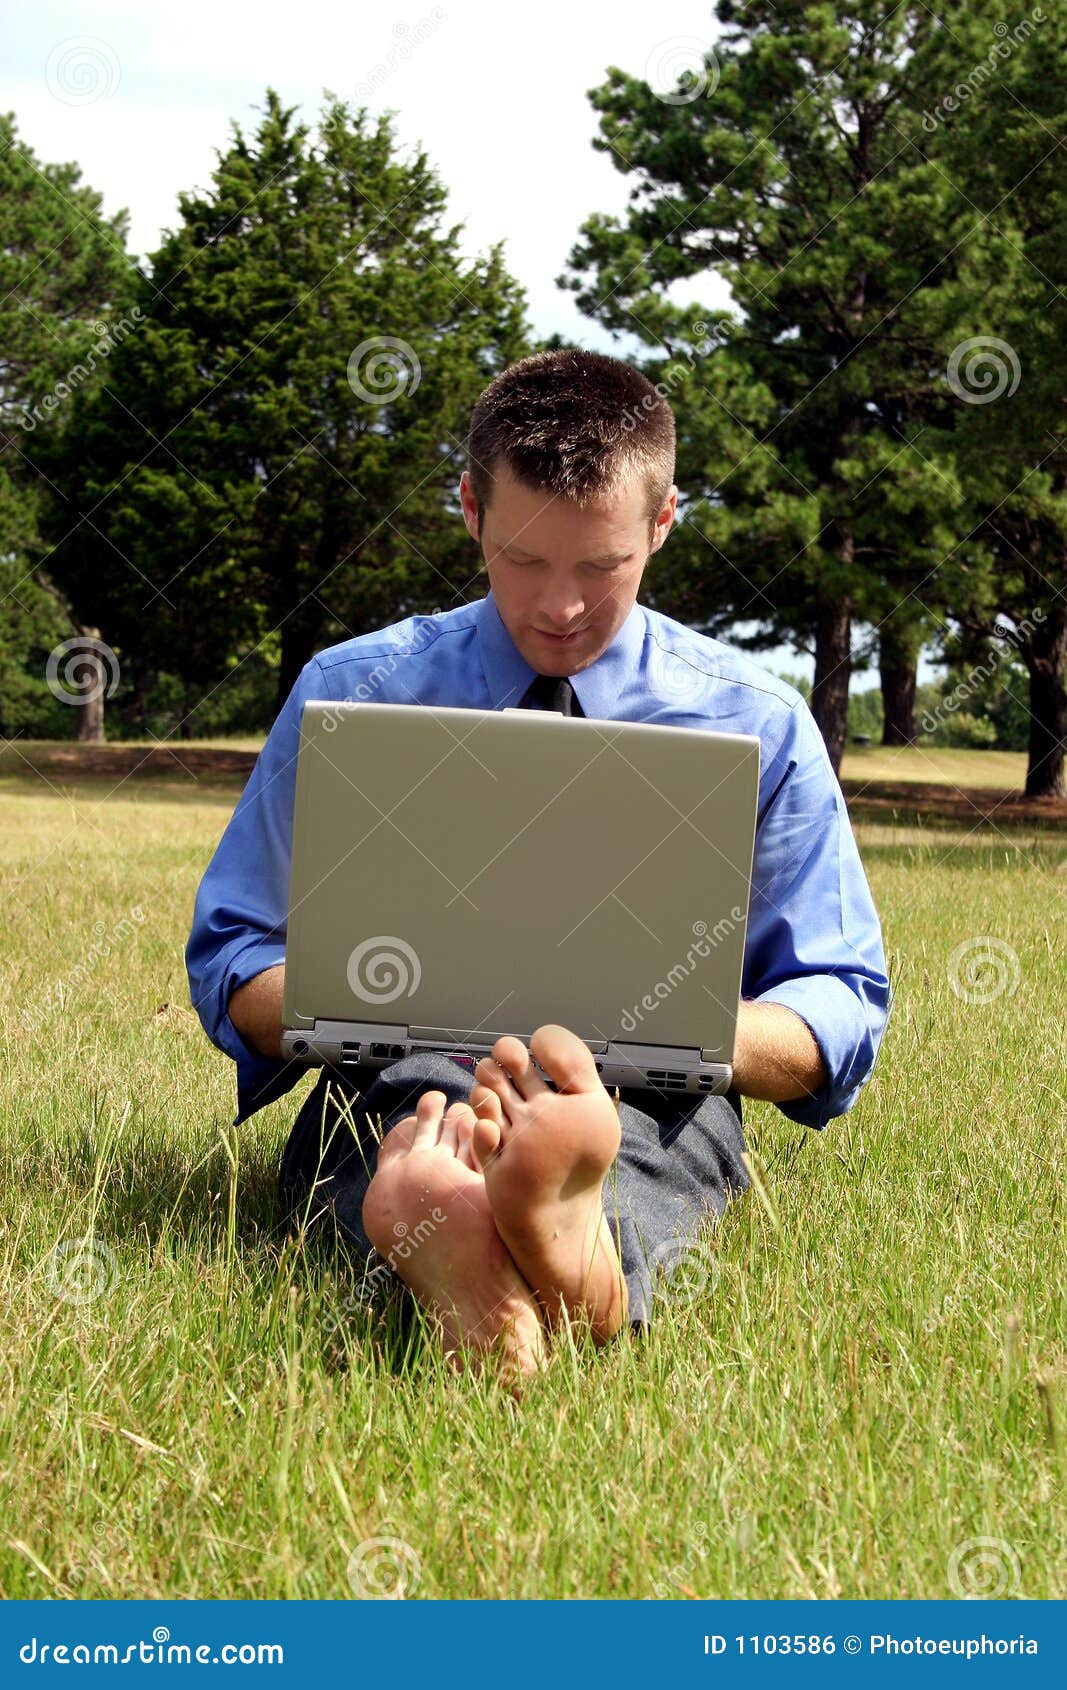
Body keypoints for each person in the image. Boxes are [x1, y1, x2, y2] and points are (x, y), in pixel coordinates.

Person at [186, 348, 892, 1388]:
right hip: (394, 1064)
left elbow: (839, 1001)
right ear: (468, 507)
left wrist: (667, 1026)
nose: (558, 606)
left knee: (615, 1136)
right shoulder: (356, 691)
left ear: (661, 523)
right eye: (522, 558)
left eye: (599, 567)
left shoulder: (758, 723)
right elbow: (234, 959)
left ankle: (506, 1244)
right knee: (409, 1117)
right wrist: (377, 1003)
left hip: (646, 1089)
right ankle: (573, 1273)